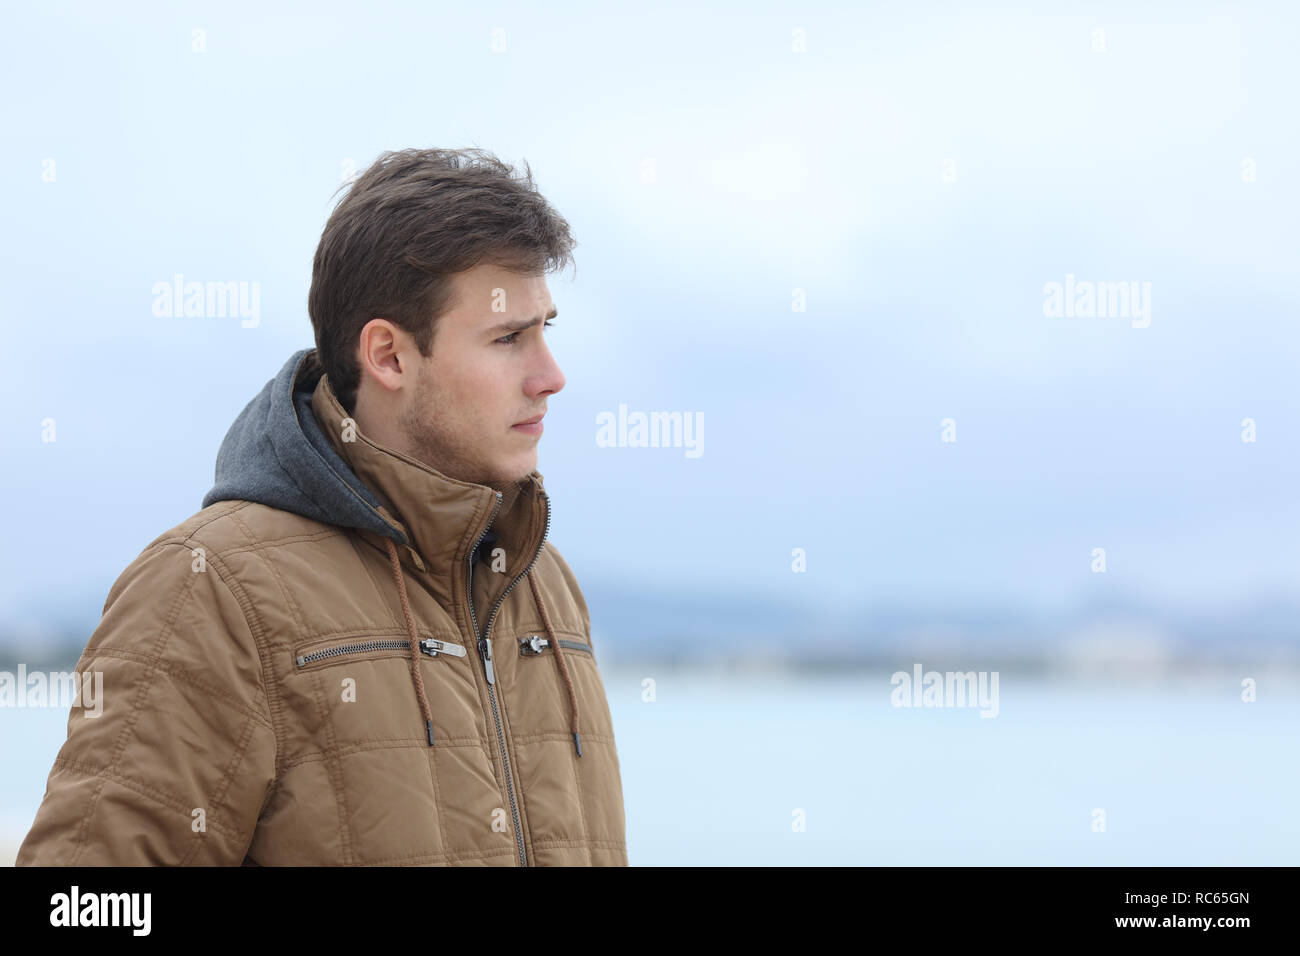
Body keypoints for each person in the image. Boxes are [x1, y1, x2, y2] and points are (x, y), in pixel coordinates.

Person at [16, 148, 627, 866]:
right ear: (390, 357)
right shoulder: (212, 586)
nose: (551, 377)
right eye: (507, 339)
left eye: (545, 329)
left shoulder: (541, 581)